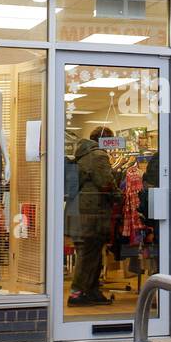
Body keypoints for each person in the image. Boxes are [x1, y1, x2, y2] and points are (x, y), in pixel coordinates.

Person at [69, 127, 117, 305]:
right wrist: (118, 195)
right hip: (92, 213)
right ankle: (78, 293)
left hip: (80, 211)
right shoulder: (98, 156)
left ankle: (91, 291)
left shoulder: (83, 154)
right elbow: (105, 182)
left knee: (89, 253)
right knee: (89, 254)